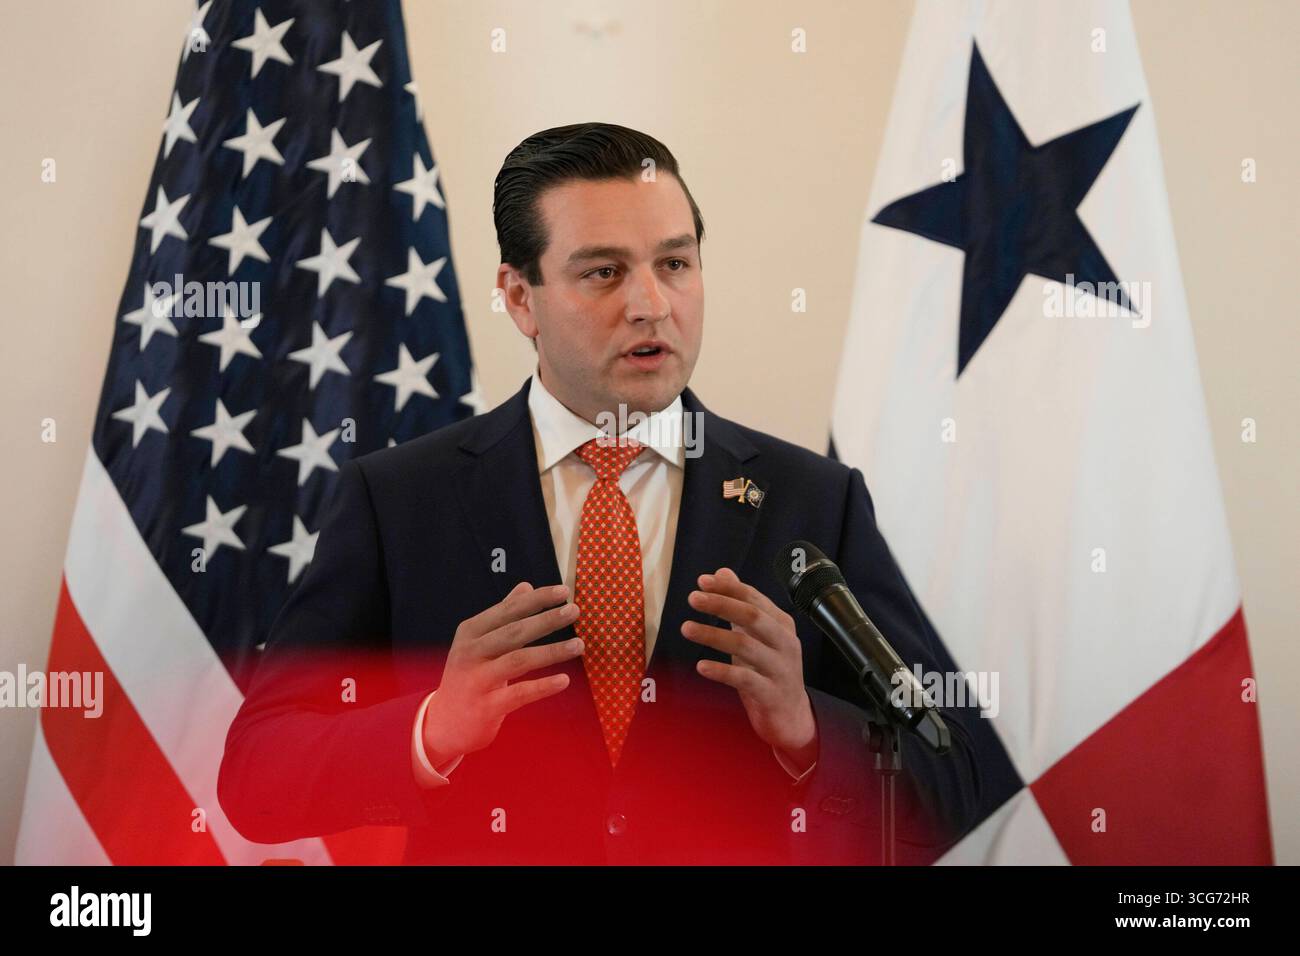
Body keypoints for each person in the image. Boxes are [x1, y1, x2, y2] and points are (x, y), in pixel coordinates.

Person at [219, 122, 984, 864]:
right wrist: (433, 727)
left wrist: (807, 729)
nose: (651, 303)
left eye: (675, 264)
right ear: (520, 299)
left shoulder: (815, 501)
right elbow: (256, 775)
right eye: (604, 272)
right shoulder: (396, 501)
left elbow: (956, 779)